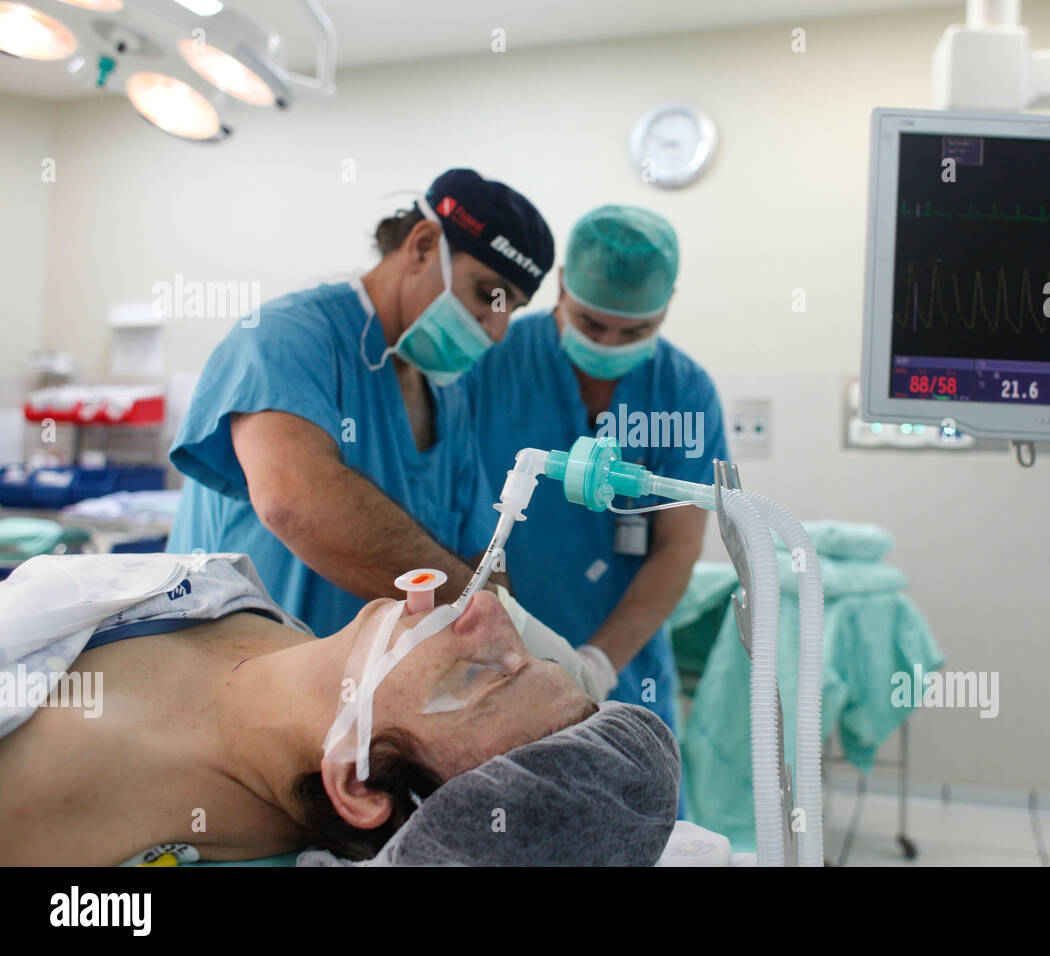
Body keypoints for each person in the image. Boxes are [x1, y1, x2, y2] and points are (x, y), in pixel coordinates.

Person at [0, 551, 597, 865]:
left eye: (482, 675)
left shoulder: (49, 791)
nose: (488, 610)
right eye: (533, 656)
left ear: (358, 784)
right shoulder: (301, 662)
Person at [166, 169, 554, 637]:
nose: (497, 329)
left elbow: (478, 555)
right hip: (234, 667)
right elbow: (294, 501)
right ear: (423, 246)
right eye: (489, 295)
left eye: (512, 308)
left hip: (363, 683)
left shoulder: (445, 394)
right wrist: (487, 619)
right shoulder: (287, 338)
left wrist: (518, 636)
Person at [459, 205, 728, 734]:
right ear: (561, 286)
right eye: (591, 324)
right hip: (493, 660)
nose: (608, 345)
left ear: (667, 307)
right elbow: (453, 511)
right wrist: (512, 651)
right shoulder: (490, 362)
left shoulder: (682, 391)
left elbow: (678, 546)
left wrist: (596, 666)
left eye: (635, 331)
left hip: (624, 673)